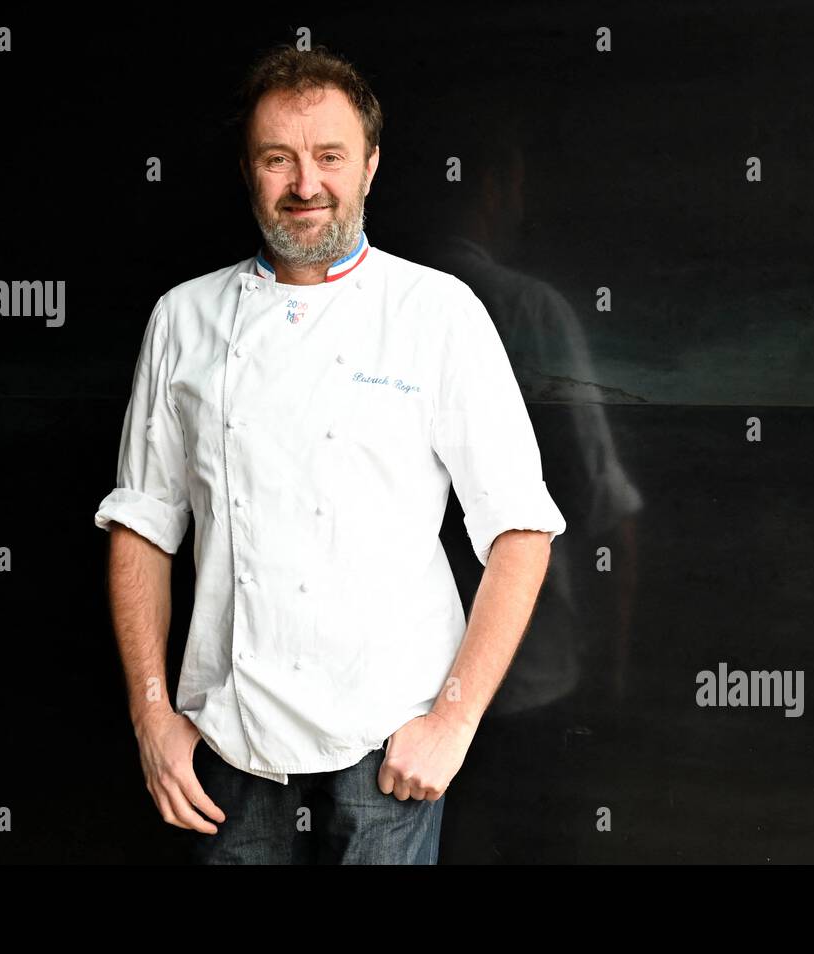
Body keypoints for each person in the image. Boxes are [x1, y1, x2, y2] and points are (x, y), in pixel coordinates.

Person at [93, 42, 566, 864]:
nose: (305, 184)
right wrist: (150, 717)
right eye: (278, 159)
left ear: (371, 166)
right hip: (224, 750)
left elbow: (520, 530)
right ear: (249, 172)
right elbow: (141, 525)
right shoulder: (184, 318)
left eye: (330, 157)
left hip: (386, 750)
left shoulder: (436, 312)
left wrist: (452, 722)